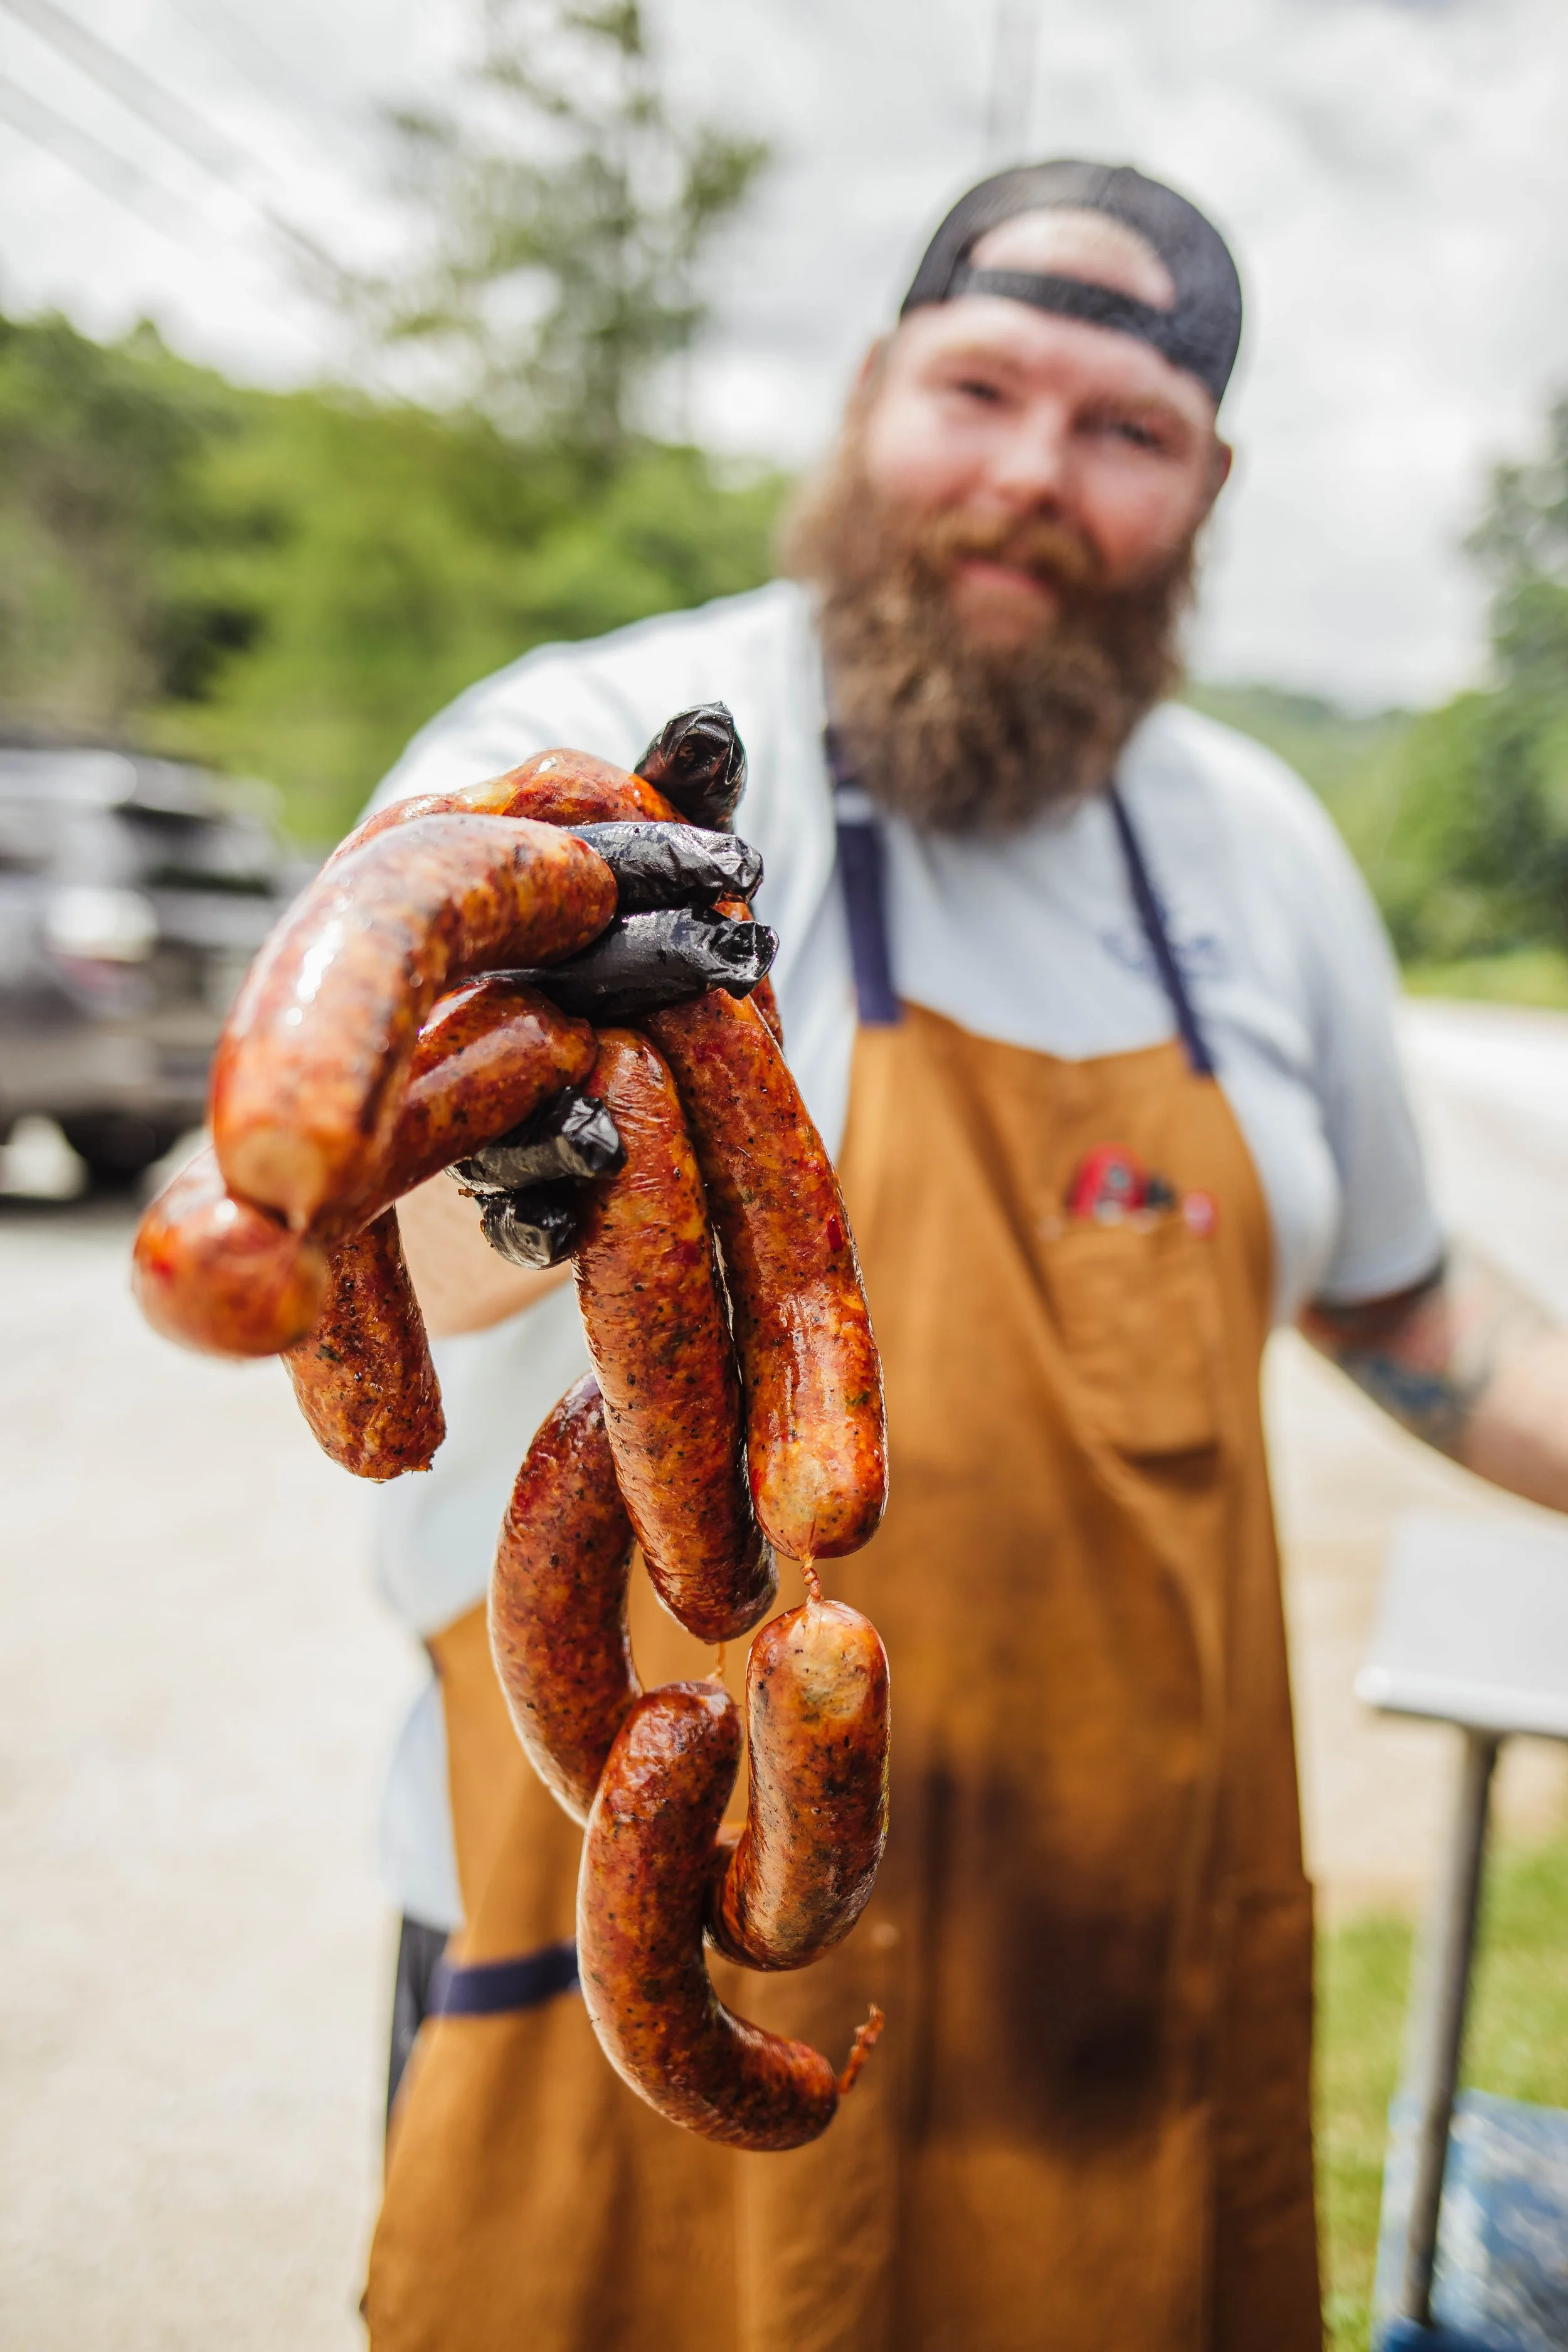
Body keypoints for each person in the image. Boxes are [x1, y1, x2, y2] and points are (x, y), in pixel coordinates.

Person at [358, 161, 1568, 2351]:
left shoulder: (1259, 851)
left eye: (1125, 431)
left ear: (1206, 489)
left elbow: (1405, 1307)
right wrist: (534, 1156)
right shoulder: (586, 770)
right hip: (652, 1962)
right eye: (978, 389)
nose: (1031, 477)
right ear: (865, 397)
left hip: (1107, 1989)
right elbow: (378, 1281)